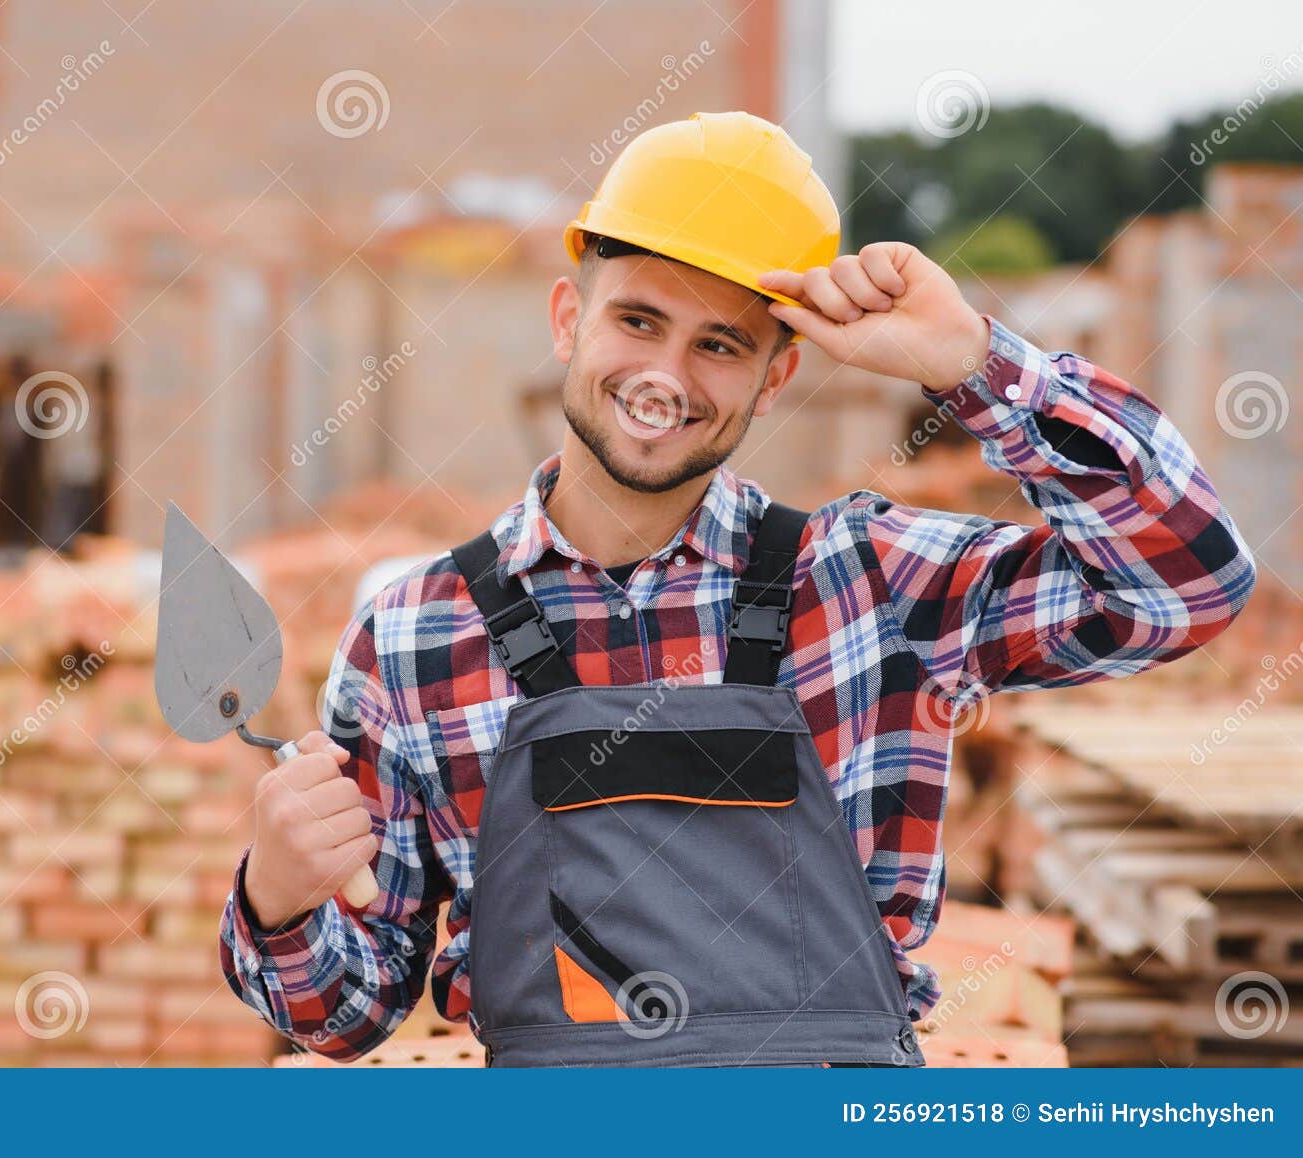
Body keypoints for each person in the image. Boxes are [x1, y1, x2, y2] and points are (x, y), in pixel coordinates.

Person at [218, 112, 1256, 1067]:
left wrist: (976, 365)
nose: (667, 375)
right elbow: (351, 1015)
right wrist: (280, 900)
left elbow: (1187, 584)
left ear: (776, 378)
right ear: (566, 319)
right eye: (637, 321)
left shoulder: (867, 584)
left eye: (719, 344)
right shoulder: (414, 640)